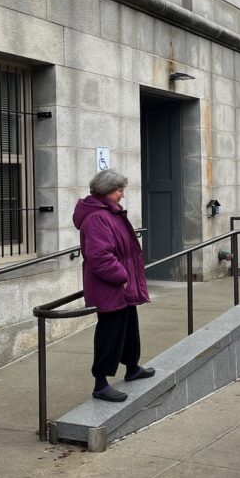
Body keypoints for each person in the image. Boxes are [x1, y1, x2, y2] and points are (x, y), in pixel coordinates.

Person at [72, 169, 153, 403]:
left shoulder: (109, 211)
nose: (122, 195)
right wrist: (122, 275)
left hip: (122, 284)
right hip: (111, 286)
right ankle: (100, 383)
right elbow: (99, 256)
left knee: (128, 327)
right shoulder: (97, 217)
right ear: (107, 192)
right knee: (110, 332)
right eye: (120, 191)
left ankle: (132, 367)